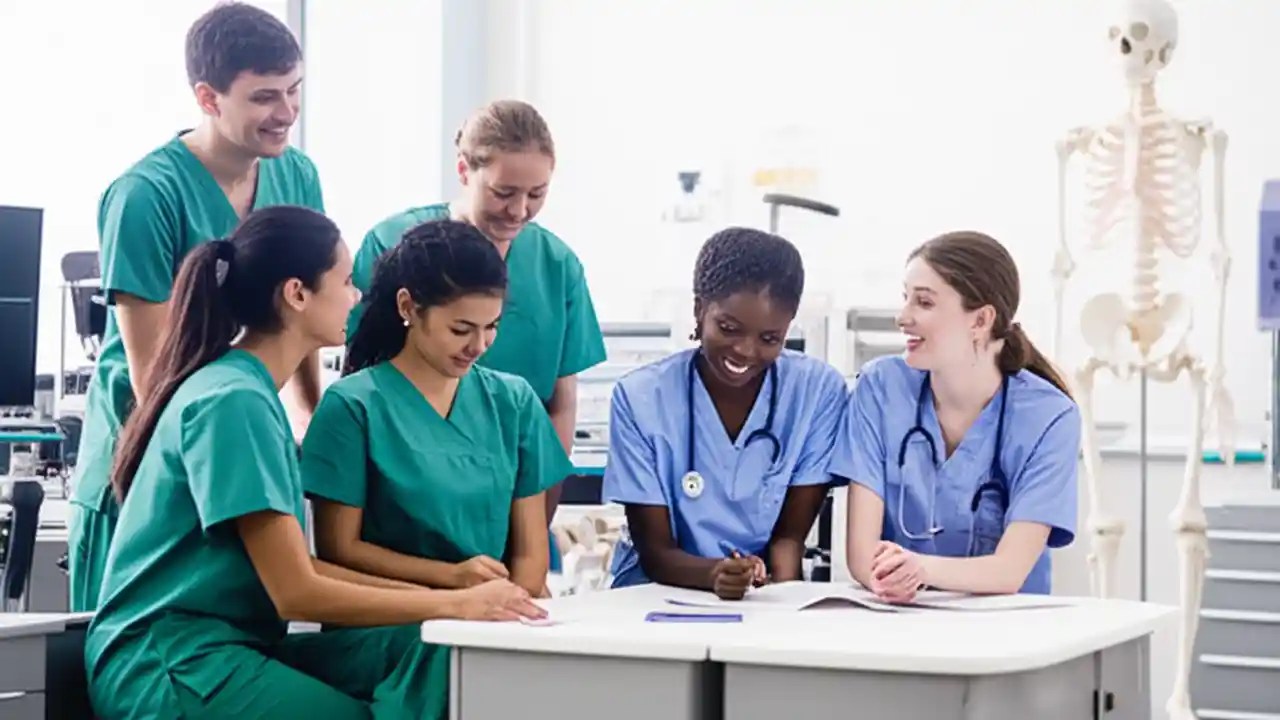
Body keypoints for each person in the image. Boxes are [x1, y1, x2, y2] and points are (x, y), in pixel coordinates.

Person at [84, 206, 542, 720]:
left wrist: (453, 592)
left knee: (434, 651)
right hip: (171, 662)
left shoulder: (253, 393)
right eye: (346, 281)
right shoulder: (232, 402)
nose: (357, 296)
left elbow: (298, 569)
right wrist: (452, 603)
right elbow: (294, 592)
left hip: (237, 647)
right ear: (297, 294)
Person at [69, 2, 326, 612]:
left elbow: (305, 318)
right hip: (145, 468)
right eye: (265, 97)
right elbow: (152, 372)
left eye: (294, 91)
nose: (286, 113)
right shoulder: (144, 197)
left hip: (233, 453)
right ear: (208, 98)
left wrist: (314, 425)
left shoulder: (298, 177)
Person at [347, 100, 606, 570]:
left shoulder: (556, 266)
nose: (519, 210)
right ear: (464, 169)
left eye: (537, 194)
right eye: (504, 192)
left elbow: (561, 402)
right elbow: (359, 379)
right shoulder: (395, 245)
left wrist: (532, 521)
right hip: (408, 517)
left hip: (514, 505)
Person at [303, 219, 572, 601]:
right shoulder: (352, 407)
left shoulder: (514, 402)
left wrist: (510, 602)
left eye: (491, 326)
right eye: (461, 330)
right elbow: (338, 549)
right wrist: (450, 580)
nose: (479, 345)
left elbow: (530, 557)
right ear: (408, 307)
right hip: (391, 622)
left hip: (496, 615)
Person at [601, 227, 849, 600]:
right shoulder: (640, 397)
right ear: (700, 310)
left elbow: (788, 541)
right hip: (653, 592)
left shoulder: (816, 392)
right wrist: (715, 575)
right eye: (729, 329)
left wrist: (785, 612)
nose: (746, 351)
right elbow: (656, 553)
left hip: (757, 596)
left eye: (770, 339)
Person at [832, 230, 1080, 602]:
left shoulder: (1049, 417)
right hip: (898, 619)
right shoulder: (881, 388)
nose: (902, 318)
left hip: (1006, 633)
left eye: (924, 303)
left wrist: (920, 570)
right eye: (905, 299)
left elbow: (1008, 571)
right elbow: (861, 556)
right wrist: (893, 578)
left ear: (980, 320)